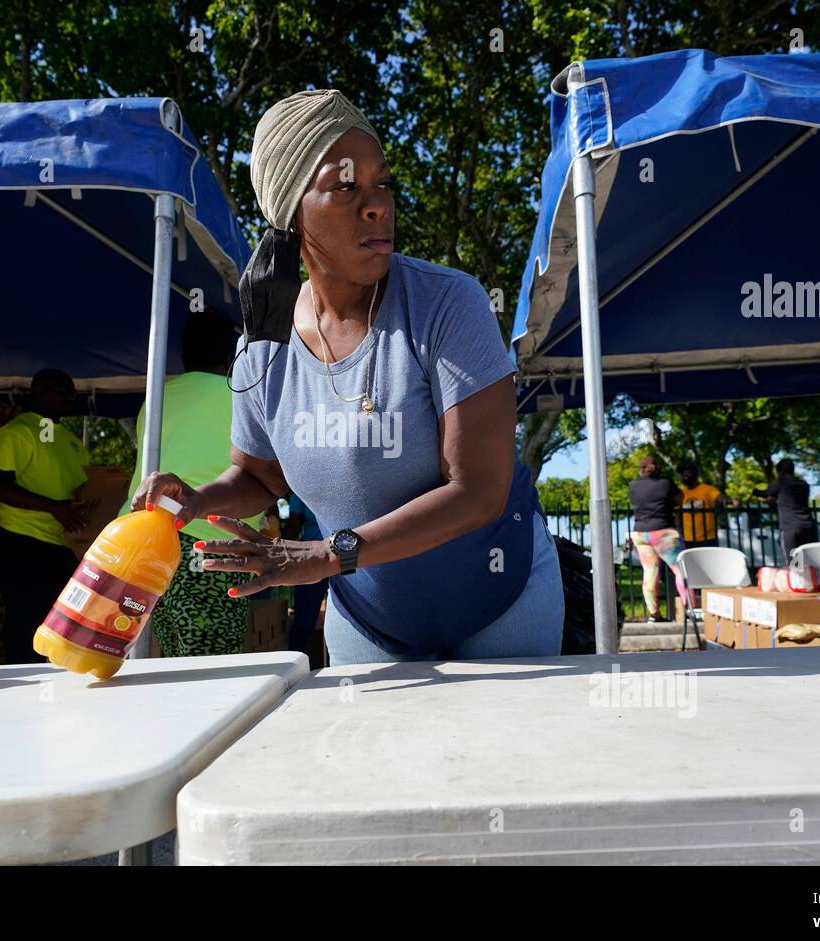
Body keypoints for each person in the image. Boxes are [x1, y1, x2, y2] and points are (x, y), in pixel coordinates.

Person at [129, 89, 564, 665]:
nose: (377, 204)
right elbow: (260, 476)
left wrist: (326, 556)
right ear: (291, 211)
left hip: (500, 604)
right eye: (346, 187)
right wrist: (199, 497)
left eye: (383, 183)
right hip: (371, 622)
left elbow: (479, 492)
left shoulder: (446, 304)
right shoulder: (263, 345)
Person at [118, 310, 264, 657]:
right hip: (208, 540)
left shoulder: (155, 398)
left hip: (143, 535)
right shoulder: (241, 395)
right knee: (209, 659)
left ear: (184, 356)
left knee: (171, 650)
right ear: (233, 356)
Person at [0, 369, 90, 663]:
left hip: (65, 545)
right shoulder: (17, 432)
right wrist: (54, 507)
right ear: (38, 391)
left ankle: (57, 689)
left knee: (64, 625)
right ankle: (22, 688)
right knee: (26, 623)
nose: (69, 399)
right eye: (61, 391)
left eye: (72, 393)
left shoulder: (71, 441)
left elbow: (83, 487)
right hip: (24, 542)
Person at [628, 456, 690, 623]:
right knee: (681, 571)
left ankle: (654, 614)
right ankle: (689, 609)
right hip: (663, 532)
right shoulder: (665, 483)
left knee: (650, 573)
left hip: (640, 533)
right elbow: (679, 499)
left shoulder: (633, 486)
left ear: (641, 469)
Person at [283, 492, 328, 658]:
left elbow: (294, 525)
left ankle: (296, 663)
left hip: (311, 560)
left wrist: (278, 552)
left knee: (304, 619)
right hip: (347, 557)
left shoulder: (300, 487)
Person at [755, 458, 818, 560]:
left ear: (780, 472)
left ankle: (796, 574)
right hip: (809, 526)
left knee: (794, 563)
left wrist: (755, 491)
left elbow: (766, 493)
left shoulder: (782, 482)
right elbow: (791, 499)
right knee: (811, 561)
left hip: (791, 528)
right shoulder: (804, 484)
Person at [677, 460, 723, 548]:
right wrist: (679, 531)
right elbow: (678, 514)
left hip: (708, 538)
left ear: (695, 473)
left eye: (687, 472)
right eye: (682, 473)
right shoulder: (681, 493)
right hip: (688, 538)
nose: (684, 475)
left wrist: (731, 501)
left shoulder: (707, 489)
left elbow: (720, 497)